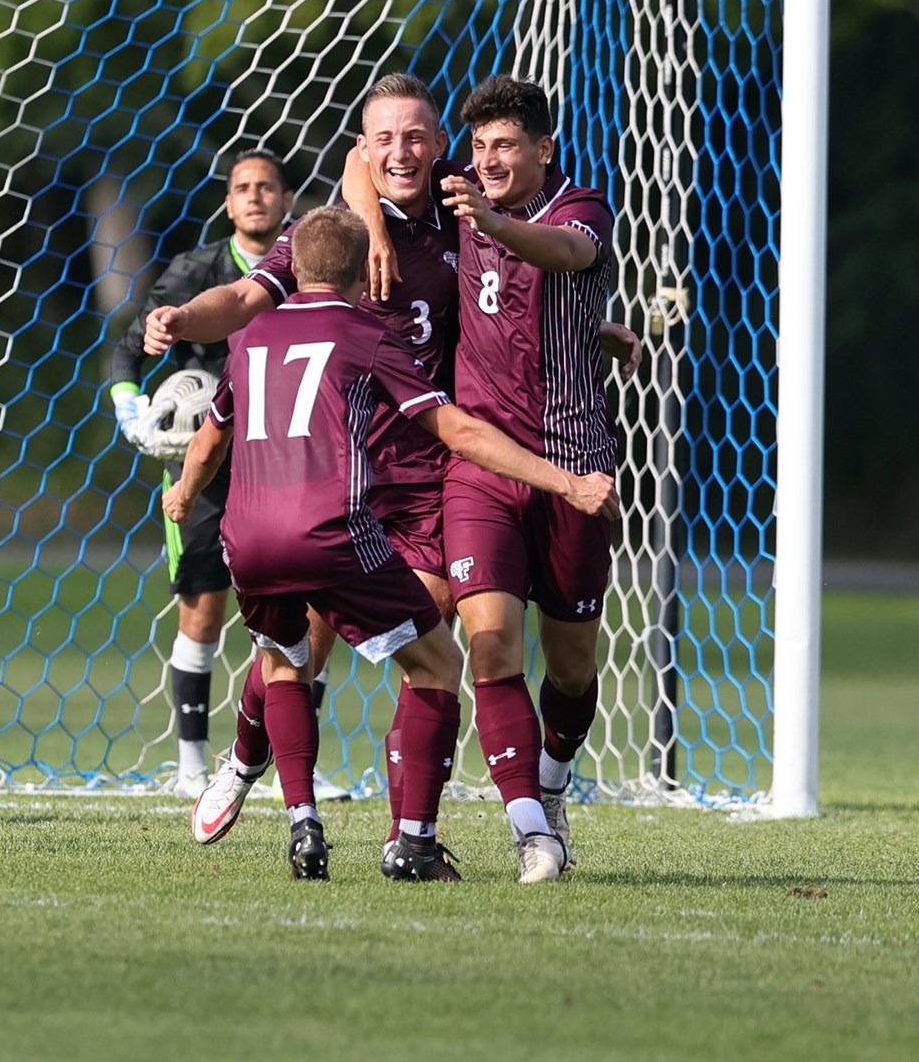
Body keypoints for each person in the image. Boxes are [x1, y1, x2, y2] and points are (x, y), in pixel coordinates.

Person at [164, 207, 617, 882]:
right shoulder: (365, 332)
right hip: (335, 527)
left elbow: (208, 440)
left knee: (285, 663)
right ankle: (412, 839)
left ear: (295, 270)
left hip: (248, 537)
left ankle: (302, 823)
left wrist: (182, 496)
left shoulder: (252, 337)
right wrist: (566, 482)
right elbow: (458, 430)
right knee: (435, 661)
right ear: (361, 275)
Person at [430, 75, 621, 882]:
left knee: (572, 667)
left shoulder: (579, 208)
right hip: (481, 464)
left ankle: (552, 777)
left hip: (575, 466)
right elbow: (368, 158)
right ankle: (530, 827)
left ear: (544, 149)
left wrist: (498, 224)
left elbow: (568, 253)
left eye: (505, 145)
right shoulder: (462, 192)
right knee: (491, 641)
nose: (488, 160)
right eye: (478, 147)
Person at [108, 151, 296, 799]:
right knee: (205, 610)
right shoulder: (194, 272)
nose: (254, 197)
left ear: (286, 198)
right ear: (228, 201)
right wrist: (131, 409)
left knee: (289, 614)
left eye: (266, 186)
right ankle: (192, 761)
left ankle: (292, 760)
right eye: (242, 187)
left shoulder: (306, 267)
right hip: (206, 463)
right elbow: (129, 347)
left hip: (285, 461)